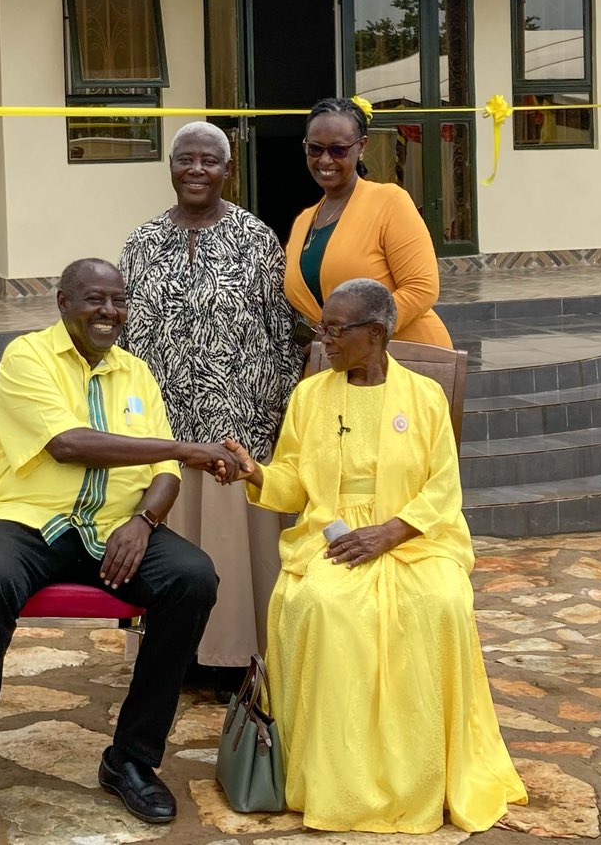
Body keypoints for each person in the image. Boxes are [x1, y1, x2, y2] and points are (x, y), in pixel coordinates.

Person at [0, 258, 238, 844]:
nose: (109, 312)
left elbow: (165, 471)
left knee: (193, 577)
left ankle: (130, 759)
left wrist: (147, 521)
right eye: (95, 299)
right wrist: (190, 447)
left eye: (118, 300)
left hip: (118, 528)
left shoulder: (137, 373)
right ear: (64, 303)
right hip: (28, 521)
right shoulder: (27, 357)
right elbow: (68, 444)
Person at [225, 278, 526, 834]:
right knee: (319, 601)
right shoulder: (310, 394)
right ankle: (334, 776)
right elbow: (294, 482)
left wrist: (389, 532)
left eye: (336, 330)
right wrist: (258, 473)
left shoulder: (424, 396)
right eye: (321, 328)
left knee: (439, 602)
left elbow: (442, 488)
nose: (324, 340)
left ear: (377, 333)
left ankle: (422, 772)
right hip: (331, 534)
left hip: (414, 535)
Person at [121, 121, 297, 674]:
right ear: (170, 167)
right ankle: (174, 660)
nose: (196, 170)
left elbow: (283, 334)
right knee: (173, 541)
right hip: (167, 430)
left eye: (209, 161)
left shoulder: (257, 240)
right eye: (185, 160)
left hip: (237, 430)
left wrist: (272, 414)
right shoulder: (142, 243)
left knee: (238, 549)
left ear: (227, 169)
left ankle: (240, 656)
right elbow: (122, 339)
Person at [284, 97, 451, 348]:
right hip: (339, 366)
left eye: (338, 149)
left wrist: (357, 336)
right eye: (316, 149)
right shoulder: (303, 221)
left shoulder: (389, 201)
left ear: (361, 146)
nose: (325, 160)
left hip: (400, 361)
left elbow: (422, 288)